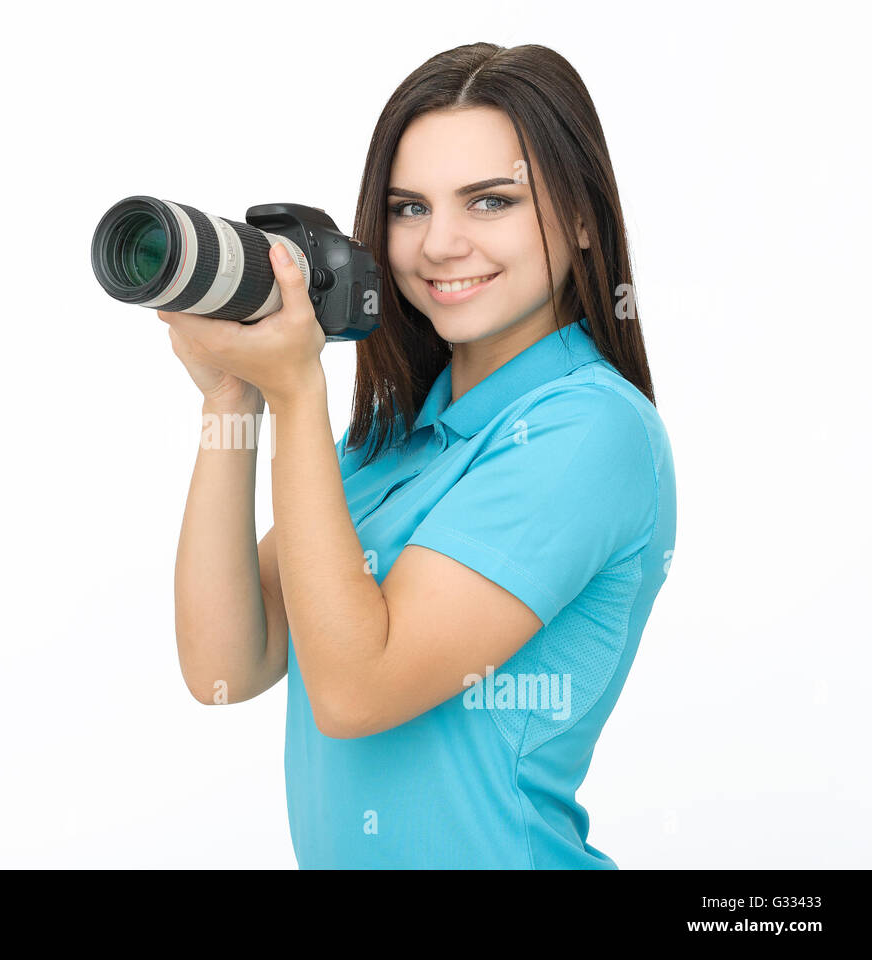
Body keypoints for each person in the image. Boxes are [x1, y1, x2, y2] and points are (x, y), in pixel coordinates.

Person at [158, 42, 677, 869]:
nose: (440, 245)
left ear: (581, 219)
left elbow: (357, 691)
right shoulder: (390, 437)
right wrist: (234, 397)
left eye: (490, 201)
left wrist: (297, 393)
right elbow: (227, 661)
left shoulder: (589, 433)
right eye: (408, 208)